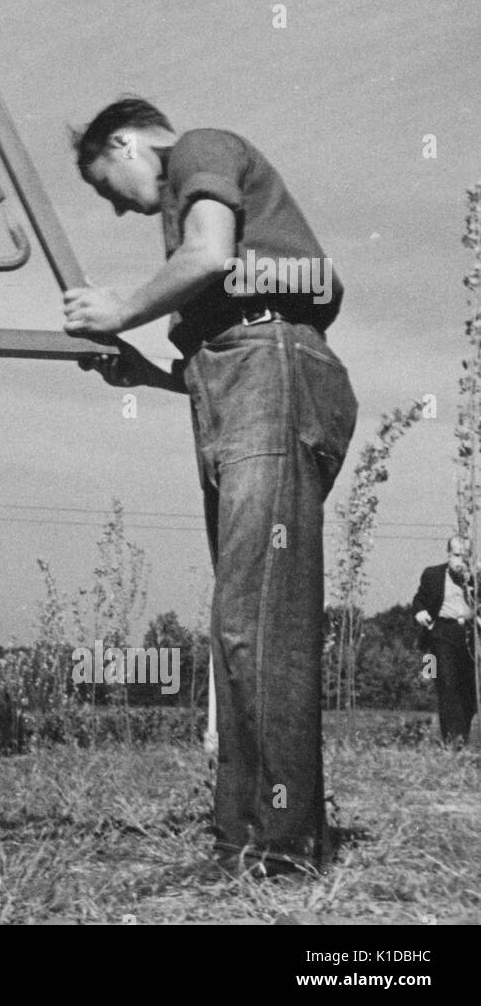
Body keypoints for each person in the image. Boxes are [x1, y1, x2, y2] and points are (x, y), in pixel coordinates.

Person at [64, 98, 358, 876]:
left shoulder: (200, 146)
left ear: (126, 143)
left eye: (106, 185)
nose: (120, 205)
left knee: (257, 618)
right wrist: (148, 372)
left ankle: (282, 849)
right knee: (243, 617)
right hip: (234, 375)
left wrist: (120, 309)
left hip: (274, 365)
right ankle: (244, 842)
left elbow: (210, 256)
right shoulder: (190, 182)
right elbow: (221, 327)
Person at [412, 536, 479, 747]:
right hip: (441, 631)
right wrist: (420, 612)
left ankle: (462, 736)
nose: (461, 561)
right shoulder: (433, 575)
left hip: (469, 634)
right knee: (447, 684)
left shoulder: (477, 578)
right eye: (457, 555)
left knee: (469, 690)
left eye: (465, 556)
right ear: (448, 554)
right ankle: (452, 740)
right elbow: (419, 600)